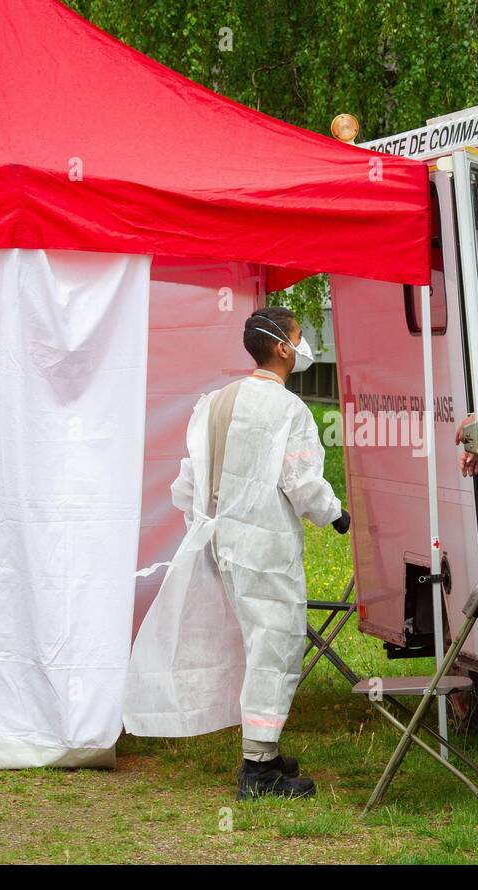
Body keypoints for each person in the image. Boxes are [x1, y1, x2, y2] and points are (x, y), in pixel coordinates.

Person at [124, 306, 350, 800]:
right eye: (298, 336)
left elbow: (188, 481)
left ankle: (264, 751)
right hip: (265, 547)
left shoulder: (216, 401)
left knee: (251, 644)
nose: (304, 344)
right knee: (275, 647)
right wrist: (335, 514)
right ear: (284, 348)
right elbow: (301, 481)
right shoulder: (290, 410)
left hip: (224, 543)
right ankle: (258, 770)